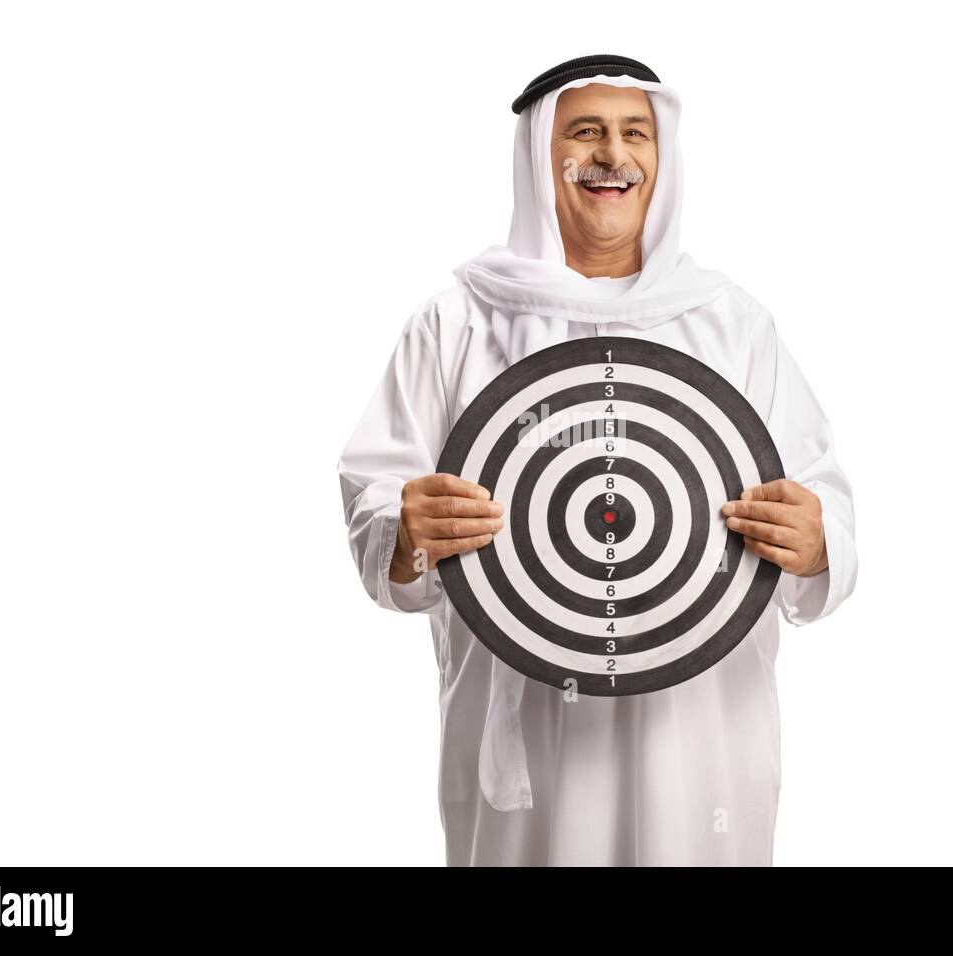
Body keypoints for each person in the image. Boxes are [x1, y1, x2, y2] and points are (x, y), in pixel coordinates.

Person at [337, 54, 858, 866]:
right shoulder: (457, 323)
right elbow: (376, 506)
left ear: (663, 156)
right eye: (586, 132)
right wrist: (405, 529)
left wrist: (817, 540)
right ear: (542, 154)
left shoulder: (731, 325)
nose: (613, 155)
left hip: (701, 748)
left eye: (634, 133)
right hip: (526, 755)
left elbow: (823, 507)